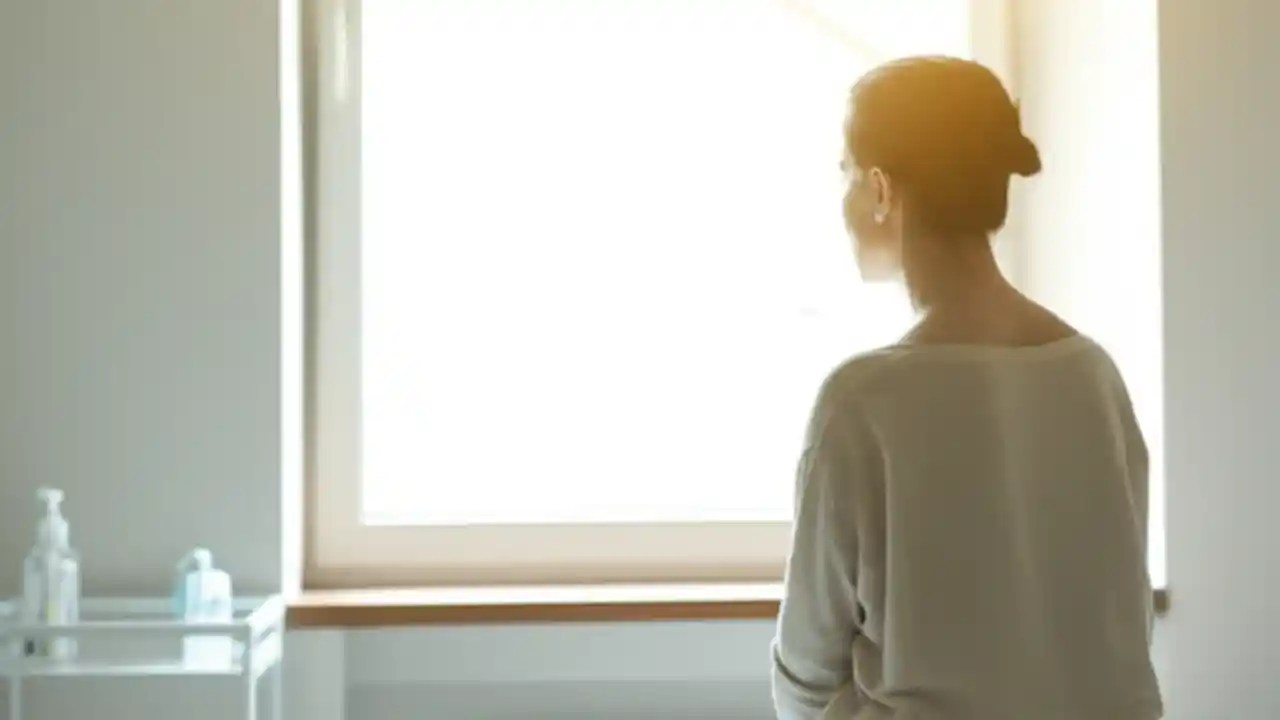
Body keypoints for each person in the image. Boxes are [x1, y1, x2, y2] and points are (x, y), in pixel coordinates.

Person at [771, 57, 1163, 720]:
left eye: (843, 172)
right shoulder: (1095, 377)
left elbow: (806, 677)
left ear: (880, 190)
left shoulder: (861, 403)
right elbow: (1122, 630)